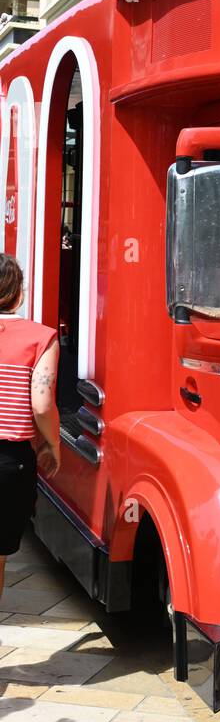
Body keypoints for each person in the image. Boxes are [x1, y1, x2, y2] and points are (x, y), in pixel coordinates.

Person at [0, 254, 60, 604]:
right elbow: (41, 403)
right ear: (19, 294)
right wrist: (53, 444)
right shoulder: (40, 337)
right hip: (9, 462)